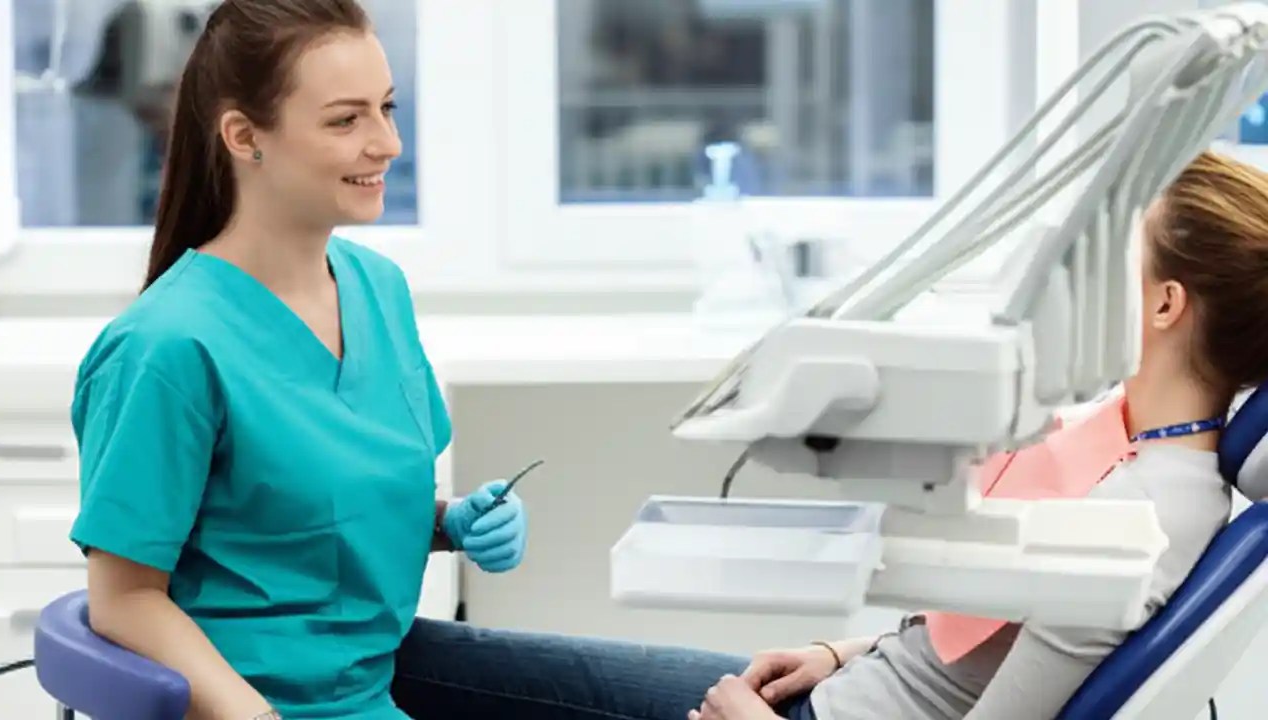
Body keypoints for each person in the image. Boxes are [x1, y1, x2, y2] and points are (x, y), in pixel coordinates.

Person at [391, 150, 1268, 720]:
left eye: (1114, 254)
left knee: (438, 672)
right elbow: (986, 641)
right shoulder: (1128, 448)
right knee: (442, 660)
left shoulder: (1150, 514)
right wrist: (836, 651)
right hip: (838, 688)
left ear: (1164, 304)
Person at [68, 2, 528, 719]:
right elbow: (124, 599)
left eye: (386, 108)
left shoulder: (379, 291)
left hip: (374, 688)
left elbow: (305, 513)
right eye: (346, 120)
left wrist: (451, 521)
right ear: (245, 137)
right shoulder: (166, 348)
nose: (388, 143)